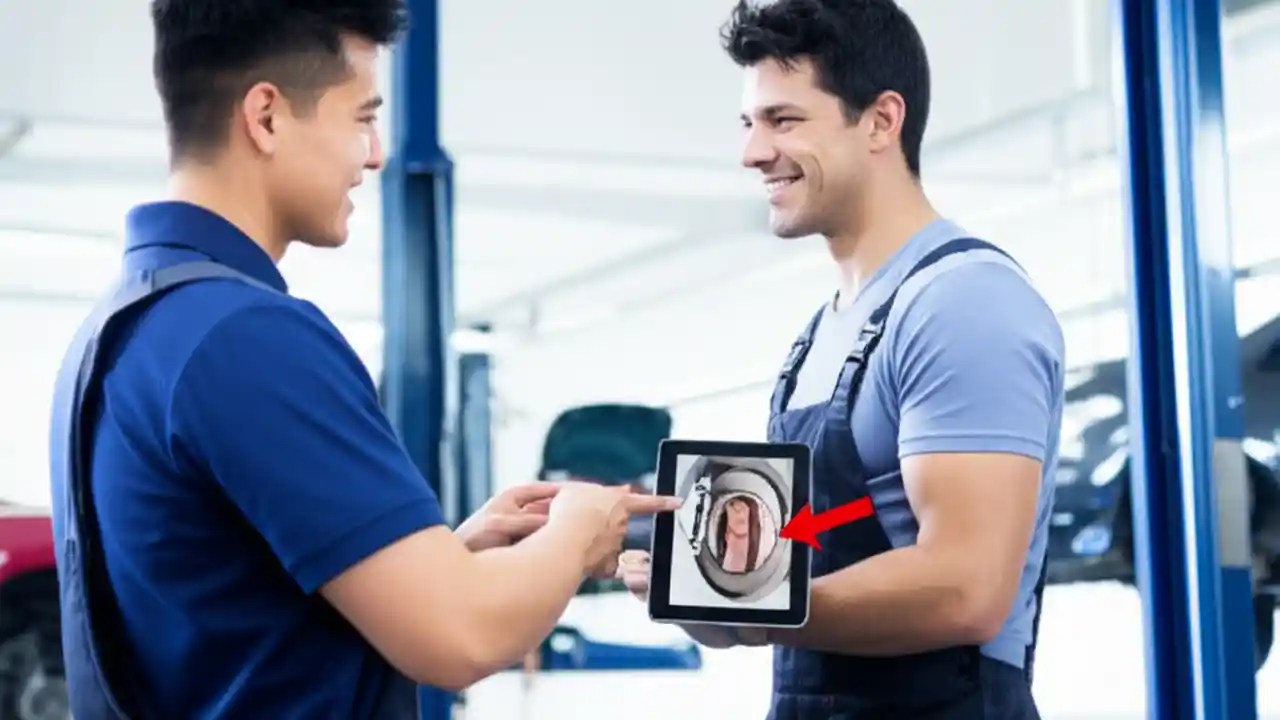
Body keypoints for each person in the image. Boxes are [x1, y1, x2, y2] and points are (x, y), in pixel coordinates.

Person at [46, 2, 679, 718]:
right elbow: (462, 637)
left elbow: (221, 612)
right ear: (267, 117)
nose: (374, 153)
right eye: (361, 118)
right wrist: (579, 530)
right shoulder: (246, 335)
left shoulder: (121, 330)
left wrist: (443, 558)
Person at [619, 1, 1065, 717]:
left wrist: (753, 609)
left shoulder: (964, 303)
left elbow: (967, 588)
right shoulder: (818, 337)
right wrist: (706, 591)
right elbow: (798, 573)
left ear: (882, 121)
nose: (752, 152)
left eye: (784, 120)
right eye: (749, 124)